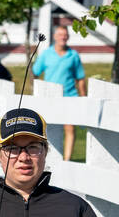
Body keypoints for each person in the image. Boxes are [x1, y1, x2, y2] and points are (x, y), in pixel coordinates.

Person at [32, 24, 87, 161]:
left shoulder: (73, 55)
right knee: (47, 130)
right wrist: (37, 90)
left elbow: (80, 78)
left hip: (70, 95)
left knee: (70, 129)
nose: (63, 37)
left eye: (65, 34)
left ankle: (67, 160)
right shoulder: (46, 54)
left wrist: (83, 97)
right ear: (55, 36)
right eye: (60, 34)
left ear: (67, 37)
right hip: (49, 97)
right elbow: (34, 72)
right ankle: (48, 158)